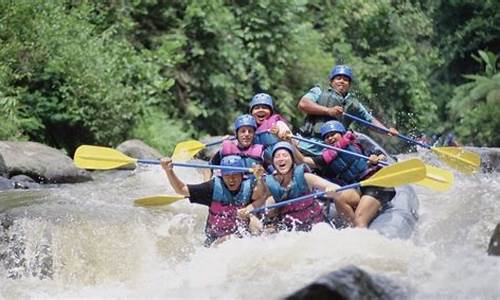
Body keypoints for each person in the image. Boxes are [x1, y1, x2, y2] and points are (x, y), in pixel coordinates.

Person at [240, 141, 359, 232]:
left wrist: (331, 190)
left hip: (317, 225)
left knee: (321, 231)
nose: (281, 158)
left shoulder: (306, 177)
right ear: (273, 162)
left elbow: (331, 186)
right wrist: (247, 211)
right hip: (292, 231)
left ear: (292, 160)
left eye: (285, 155)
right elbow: (258, 200)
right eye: (277, 156)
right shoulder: (270, 183)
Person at [293, 120, 395, 228]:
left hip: (375, 182)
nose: (330, 138)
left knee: (360, 219)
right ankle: (354, 228)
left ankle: (359, 225)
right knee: (339, 196)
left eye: (333, 134)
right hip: (358, 188)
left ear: (341, 133)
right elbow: (303, 160)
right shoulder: (326, 158)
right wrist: (291, 144)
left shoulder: (357, 141)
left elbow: (381, 156)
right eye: (327, 137)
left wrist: (376, 158)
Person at [160, 155, 266, 246]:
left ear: (242, 175)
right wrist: (169, 171)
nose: (231, 179)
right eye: (227, 175)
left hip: (242, 235)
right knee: (229, 239)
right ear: (222, 175)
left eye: (235, 175)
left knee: (257, 224)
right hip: (215, 239)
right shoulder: (212, 188)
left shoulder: (250, 185)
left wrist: (260, 178)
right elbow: (181, 190)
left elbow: (262, 195)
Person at [297, 64, 398, 155]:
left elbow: (369, 120)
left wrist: (386, 131)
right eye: (338, 78)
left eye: (345, 79)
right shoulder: (318, 91)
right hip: (310, 143)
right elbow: (303, 104)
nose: (342, 81)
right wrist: (328, 111)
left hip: (336, 149)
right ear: (331, 81)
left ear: (349, 84)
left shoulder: (353, 103)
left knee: (359, 139)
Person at [248, 93, 292, 164]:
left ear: (271, 112)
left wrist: (279, 134)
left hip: (280, 164)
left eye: (264, 107)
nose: (260, 110)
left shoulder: (278, 124)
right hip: (260, 167)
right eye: (257, 108)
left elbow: (291, 142)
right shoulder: (248, 130)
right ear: (252, 112)